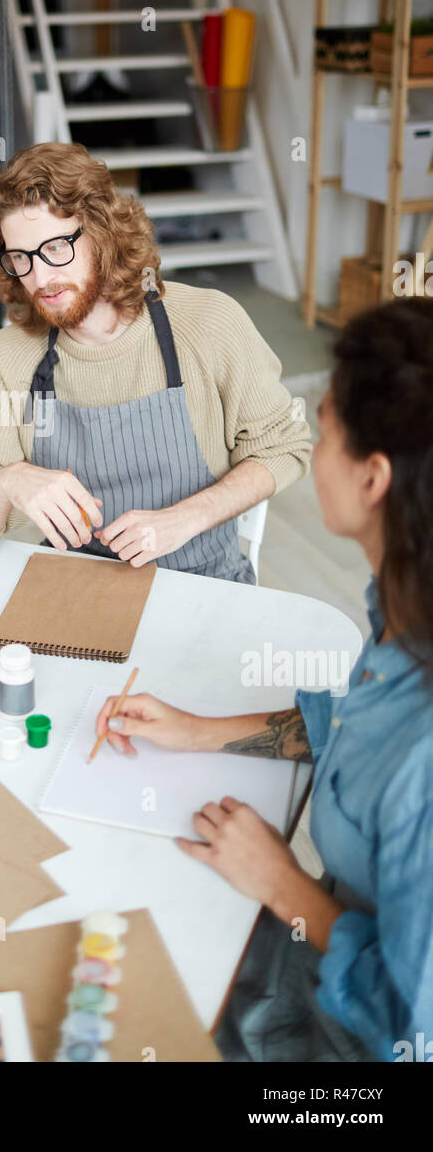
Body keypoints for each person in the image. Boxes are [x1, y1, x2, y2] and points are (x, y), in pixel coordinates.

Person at [96, 297, 433, 1062]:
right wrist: (198, 730)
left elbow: (413, 1030)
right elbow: (355, 718)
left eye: (327, 425)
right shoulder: (403, 603)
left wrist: (281, 883)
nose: (311, 447)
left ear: (374, 478)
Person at [0, 143, 311, 582]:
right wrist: (6, 481)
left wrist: (186, 518)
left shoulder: (210, 323)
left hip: (206, 583)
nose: (40, 278)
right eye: (20, 258)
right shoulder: (5, 358)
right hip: (76, 586)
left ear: (102, 235)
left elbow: (283, 446)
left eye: (57, 247)